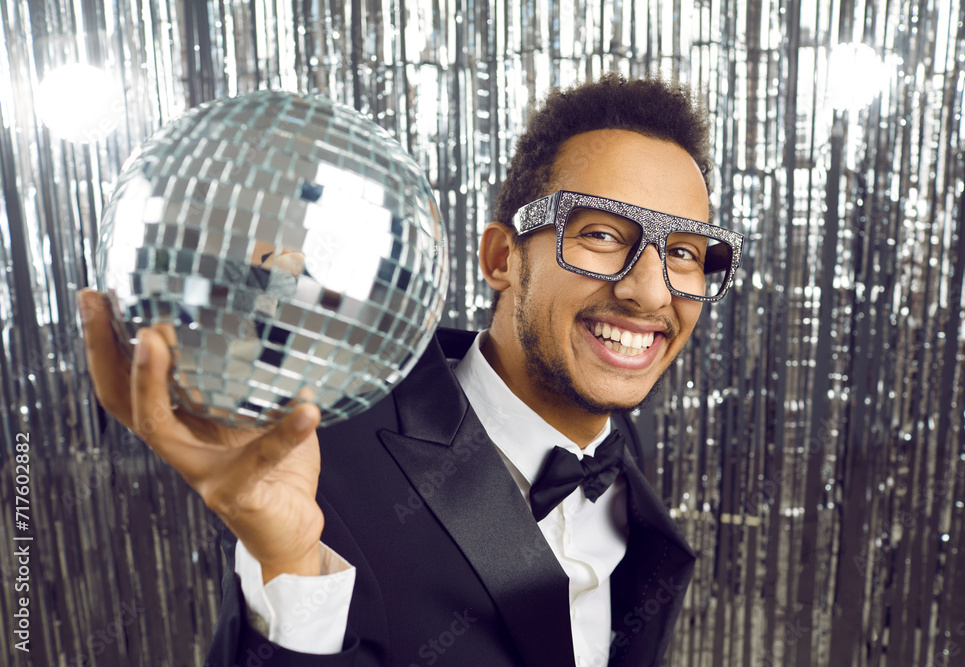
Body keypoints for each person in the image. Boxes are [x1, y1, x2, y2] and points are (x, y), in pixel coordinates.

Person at [79, 72, 743, 667]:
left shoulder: (622, 450)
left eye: (684, 252)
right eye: (600, 234)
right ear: (502, 259)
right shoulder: (316, 462)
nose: (650, 292)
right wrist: (289, 561)